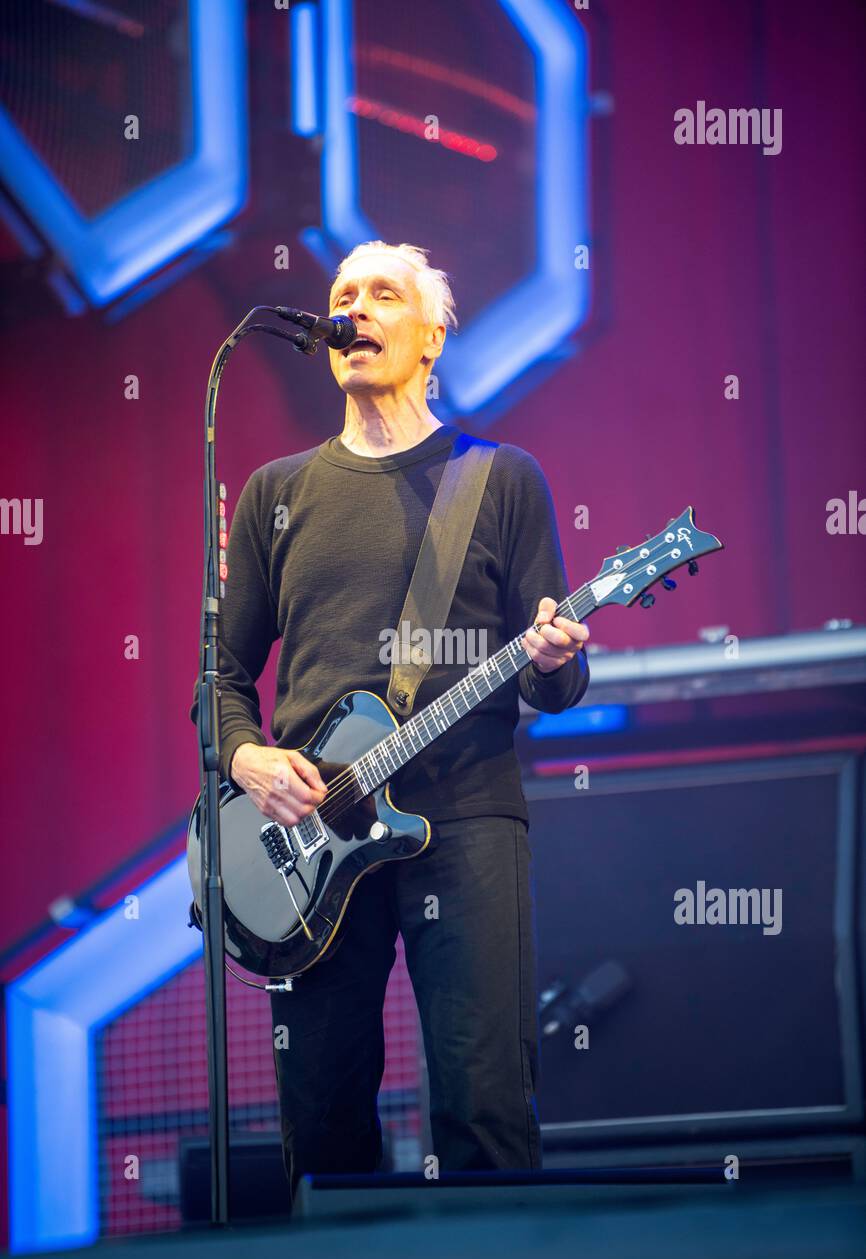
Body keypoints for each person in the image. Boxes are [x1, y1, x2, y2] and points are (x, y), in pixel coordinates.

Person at [191, 241, 590, 1202]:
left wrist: (558, 658)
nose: (354, 310)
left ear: (433, 332)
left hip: (465, 816)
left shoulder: (499, 479)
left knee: (481, 1098)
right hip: (310, 833)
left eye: (382, 295)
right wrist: (245, 758)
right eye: (341, 295)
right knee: (322, 1118)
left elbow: (554, 686)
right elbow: (223, 672)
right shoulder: (276, 493)